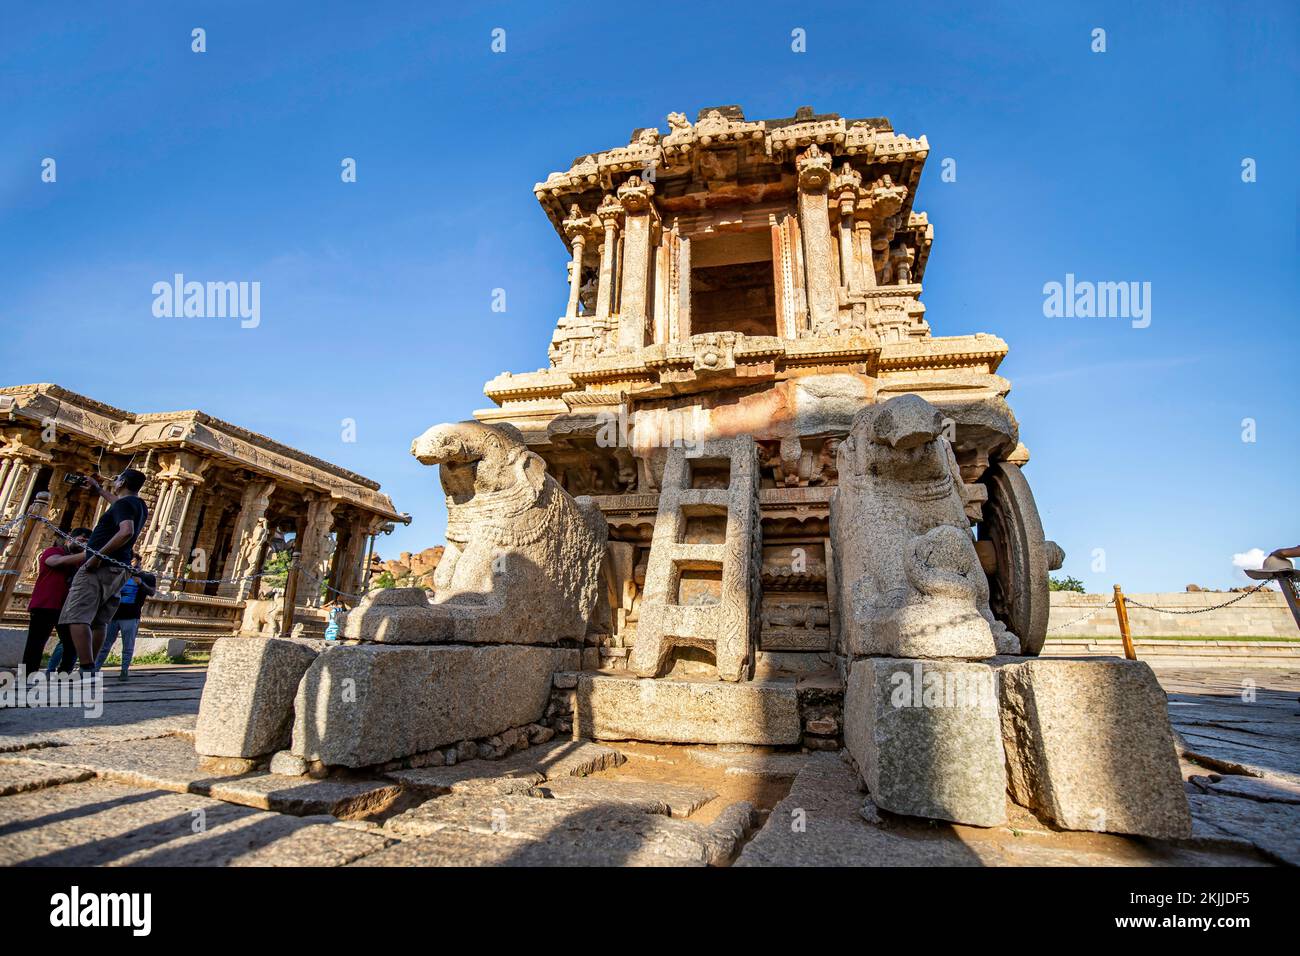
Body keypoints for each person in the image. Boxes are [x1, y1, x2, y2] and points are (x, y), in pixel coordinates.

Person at [58, 469, 149, 673]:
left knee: (76, 616)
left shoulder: (125, 505)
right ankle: (89, 669)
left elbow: (126, 531)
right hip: (119, 569)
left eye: (116, 478)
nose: (114, 481)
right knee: (99, 620)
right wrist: (98, 488)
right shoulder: (138, 504)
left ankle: (86, 665)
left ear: (122, 481)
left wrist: (97, 557)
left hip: (100, 567)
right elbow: (118, 504)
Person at [22, 527, 92, 676]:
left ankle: (64, 674)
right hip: (45, 605)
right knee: (36, 643)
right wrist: (86, 554)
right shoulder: (53, 551)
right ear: (69, 538)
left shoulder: (80, 561)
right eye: (81, 539)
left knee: (71, 643)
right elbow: (55, 562)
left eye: (87, 541)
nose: (83, 543)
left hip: (67, 608)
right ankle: (28, 675)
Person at [94, 552, 156, 680]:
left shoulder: (146, 576)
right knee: (105, 645)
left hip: (131, 616)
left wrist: (141, 583)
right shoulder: (119, 573)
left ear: (139, 562)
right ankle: (94, 670)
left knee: (128, 646)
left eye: (133, 561)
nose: (130, 563)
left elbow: (152, 592)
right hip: (112, 614)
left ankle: (124, 671)